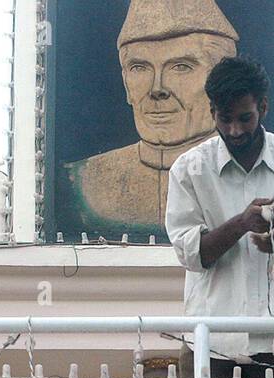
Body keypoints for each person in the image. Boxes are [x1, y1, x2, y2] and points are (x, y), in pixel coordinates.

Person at [165, 55, 274, 378]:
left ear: (263, 107)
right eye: (225, 118)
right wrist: (241, 224)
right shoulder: (189, 169)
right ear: (211, 112)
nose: (235, 130)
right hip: (208, 346)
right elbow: (190, 253)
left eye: (245, 118)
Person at [60, 0, 238, 241]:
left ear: (221, 83)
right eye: (139, 68)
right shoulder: (80, 181)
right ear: (126, 85)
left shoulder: (260, 177)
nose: (157, 89)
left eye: (180, 67)